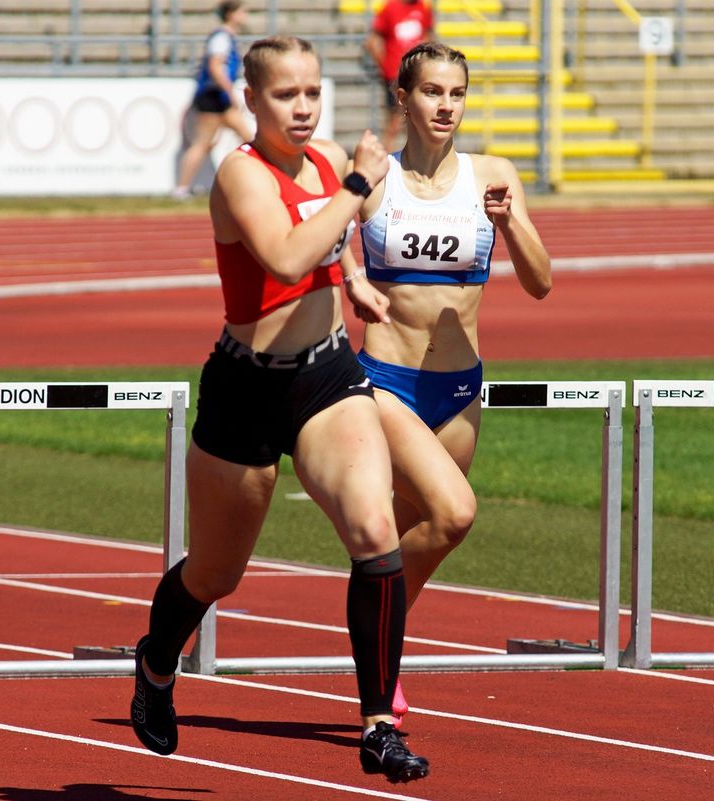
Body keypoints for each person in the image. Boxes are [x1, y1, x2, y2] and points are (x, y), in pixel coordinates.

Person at [130, 35, 430, 784]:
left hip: (327, 374)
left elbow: (329, 242)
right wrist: (359, 189)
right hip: (247, 388)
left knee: (373, 529)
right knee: (216, 573)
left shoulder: (328, 159)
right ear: (252, 102)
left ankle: (378, 725)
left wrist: (354, 279)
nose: (303, 108)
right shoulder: (240, 174)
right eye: (286, 96)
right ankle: (157, 661)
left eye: (313, 92)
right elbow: (290, 255)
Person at [352, 41, 552, 726]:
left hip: (460, 387)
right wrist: (349, 281)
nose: (446, 105)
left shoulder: (492, 175)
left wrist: (511, 221)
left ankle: (378, 642)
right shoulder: (375, 178)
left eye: (457, 93)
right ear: (403, 98)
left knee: (415, 534)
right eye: (432, 91)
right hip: (385, 380)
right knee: (454, 512)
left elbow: (540, 282)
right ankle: (374, 637)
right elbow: (314, 251)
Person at [172, 0, 253, 200]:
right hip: (213, 98)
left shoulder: (228, 37)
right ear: (231, 14)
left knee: (249, 138)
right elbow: (215, 67)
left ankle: (258, 178)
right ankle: (181, 188)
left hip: (219, 99)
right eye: (242, 12)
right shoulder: (221, 38)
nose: (245, 16)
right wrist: (230, 91)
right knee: (201, 144)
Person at [365, 0, 433, 151]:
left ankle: (418, 156)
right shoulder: (390, 8)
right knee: (395, 121)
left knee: (419, 118)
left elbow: (428, 38)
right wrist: (386, 66)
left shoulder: (423, 7)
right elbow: (372, 41)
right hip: (395, 76)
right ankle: (386, 158)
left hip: (418, 75)